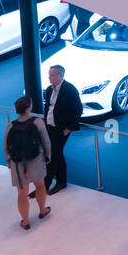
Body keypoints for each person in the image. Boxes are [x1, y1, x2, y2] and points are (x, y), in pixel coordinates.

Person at [3, 96, 52, 230]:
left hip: (18, 164)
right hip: (36, 160)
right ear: (29, 108)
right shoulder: (38, 122)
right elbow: (46, 141)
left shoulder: (11, 126)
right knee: (40, 186)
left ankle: (25, 221)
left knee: (22, 193)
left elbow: (6, 147)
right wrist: (48, 156)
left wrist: (9, 162)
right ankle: (42, 210)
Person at [40, 64, 82, 196]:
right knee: (57, 154)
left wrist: (69, 128)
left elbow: (78, 110)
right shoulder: (48, 89)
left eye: (52, 75)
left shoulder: (70, 90)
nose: (49, 77)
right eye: (49, 74)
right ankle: (61, 182)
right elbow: (48, 108)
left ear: (60, 75)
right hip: (49, 127)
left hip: (61, 129)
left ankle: (44, 187)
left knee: (52, 156)